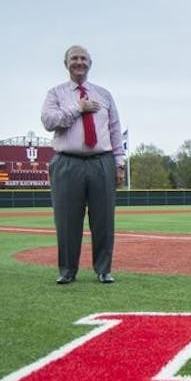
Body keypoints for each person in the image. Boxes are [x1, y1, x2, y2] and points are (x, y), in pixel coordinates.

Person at [41, 45, 125, 284]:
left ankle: (103, 269)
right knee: (67, 219)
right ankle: (67, 271)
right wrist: (79, 108)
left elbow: (115, 129)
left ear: (90, 63)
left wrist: (119, 162)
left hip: (101, 161)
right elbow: (49, 121)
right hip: (67, 162)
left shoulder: (104, 94)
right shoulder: (55, 94)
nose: (79, 62)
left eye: (83, 58)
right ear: (66, 63)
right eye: (74, 58)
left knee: (104, 219)